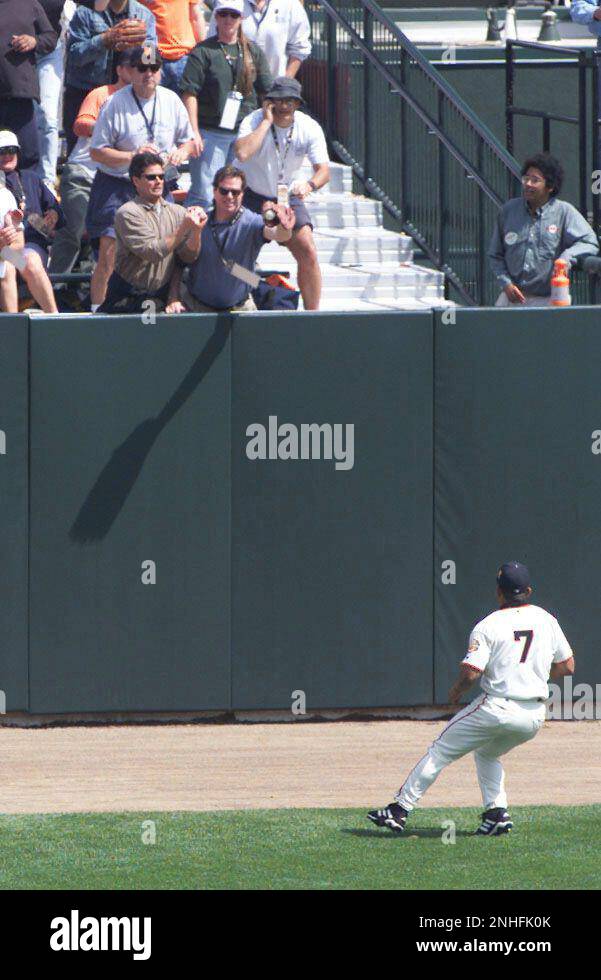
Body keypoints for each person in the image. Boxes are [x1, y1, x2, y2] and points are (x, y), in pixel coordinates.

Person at [368, 561, 575, 837]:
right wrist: (532, 674)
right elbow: (568, 666)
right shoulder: (547, 619)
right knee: (487, 753)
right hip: (534, 715)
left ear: (499, 592)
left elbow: (471, 674)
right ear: (528, 590)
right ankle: (496, 814)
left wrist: (456, 692)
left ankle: (399, 810)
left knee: (440, 750)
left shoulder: (487, 625)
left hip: (498, 707)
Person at [88, 43, 196, 309]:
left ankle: (166, 301)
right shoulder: (115, 102)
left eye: (154, 67)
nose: (149, 73)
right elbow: (97, 152)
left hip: (159, 182)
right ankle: (97, 312)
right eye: (142, 68)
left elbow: (190, 142)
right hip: (118, 183)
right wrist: (133, 156)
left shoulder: (171, 99)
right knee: (109, 252)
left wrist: (181, 153)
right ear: (130, 71)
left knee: (167, 249)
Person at [234, 76, 329, 310]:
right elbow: (242, 154)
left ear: (297, 103)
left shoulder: (308, 127)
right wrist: (266, 123)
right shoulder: (253, 120)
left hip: (287, 196)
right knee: (234, 256)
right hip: (251, 194)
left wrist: (309, 185)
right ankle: (246, 294)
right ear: (268, 102)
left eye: (290, 100)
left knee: (308, 251)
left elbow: (324, 171)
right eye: (278, 100)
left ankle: (312, 314)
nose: (284, 106)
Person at [49, 49, 134, 276]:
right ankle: (52, 289)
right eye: (132, 66)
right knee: (74, 232)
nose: (139, 71)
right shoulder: (103, 94)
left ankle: (85, 295)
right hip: (83, 174)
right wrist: (110, 130)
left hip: (114, 181)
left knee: (104, 238)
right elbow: (80, 125)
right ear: (120, 69)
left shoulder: (145, 101)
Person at [181, 0, 273, 209]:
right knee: (204, 194)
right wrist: (194, 131)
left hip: (244, 132)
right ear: (215, 17)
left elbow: (267, 91)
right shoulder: (203, 51)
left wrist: (265, 126)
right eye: (223, 14)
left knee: (237, 195)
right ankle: (196, 239)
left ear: (241, 18)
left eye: (233, 15)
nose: (228, 19)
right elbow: (189, 92)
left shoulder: (253, 51)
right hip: (210, 131)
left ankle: (230, 239)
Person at [99, 150, 206, 313]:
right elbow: (153, 252)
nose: (158, 181)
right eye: (151, 177)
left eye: (161, 177)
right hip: (127, 295)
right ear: (135, 180)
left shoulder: (177, 211)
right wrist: (185, 227)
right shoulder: (128, 212)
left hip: (160, 295)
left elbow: (186, 257)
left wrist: (196, 231)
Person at [180, 164, 295, 312]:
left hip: (239, 308)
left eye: (235, 192)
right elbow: (179, 261)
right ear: (214, 191)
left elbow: (278, 234)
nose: (229, 196)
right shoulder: (200, 220)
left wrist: (284, 225)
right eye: (224, 191)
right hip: (197, 305)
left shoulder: (252, 221)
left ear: (242, 194)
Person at [488, 152, 599, 307]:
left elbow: (589, 242)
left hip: (549, 300)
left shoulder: (564, 212)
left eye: (535, 180)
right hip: (511, 299)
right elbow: (495, 255)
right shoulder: (508, 211)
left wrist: (567, 257)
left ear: (550, 187)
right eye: (526, 178)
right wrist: (505, 283)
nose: (528, 184)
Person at [63, 0, 156, 156]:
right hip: (86, 91)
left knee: (124, 150)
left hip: (129, 95)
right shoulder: (85, 12)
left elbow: (152, 60)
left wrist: (140, 47)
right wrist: (104, 40)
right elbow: (74, 56)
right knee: (80, 153)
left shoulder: (144, 15)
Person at [0, 0, 58, 171]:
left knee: (26, 156)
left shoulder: (28, 3)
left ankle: (27, 196)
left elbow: (50, 37)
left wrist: (34, 41)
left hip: (19, 93)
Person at [0, 130, 65, 270]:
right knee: (15, 264)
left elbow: (58, 216)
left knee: (29, 261)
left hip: (32, 246)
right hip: (3, 249)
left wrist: (54, 213)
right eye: (1, 151)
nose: (6, 155)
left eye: (11, 150)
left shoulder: (31, 179)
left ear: (18, 153)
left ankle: (49, 292)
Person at [207, 0, 311, 78]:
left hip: (273, 89)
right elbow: (213, 42)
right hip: (234, 89)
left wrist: (283, 86)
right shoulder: (227, 3)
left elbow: (300, 48)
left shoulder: (290, 4)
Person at [0, 183, 58, 313]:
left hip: (3, 252)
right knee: (7, 268)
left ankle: (54, 317)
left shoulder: (6, 195)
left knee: (26, 263)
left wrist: (4, 243)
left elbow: (19, 243)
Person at [138, 0, 207, 93]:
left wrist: (203, 53)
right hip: (153, 56)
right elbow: (137, 13)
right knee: (151, 102)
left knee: (184, 103)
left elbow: (196, 17)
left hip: (184, 57)